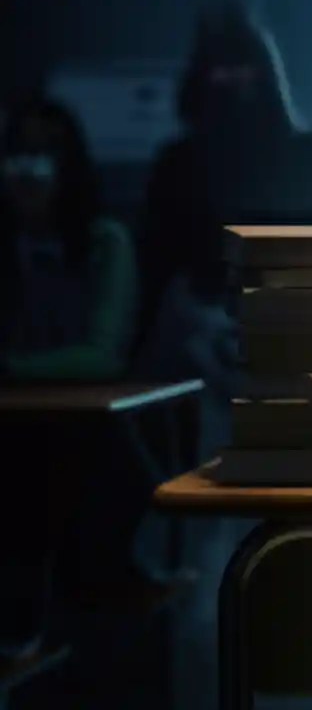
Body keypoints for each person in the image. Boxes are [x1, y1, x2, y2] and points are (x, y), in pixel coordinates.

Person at [138, 0, 312, 458]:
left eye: (243, 68)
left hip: (300, 341)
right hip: (205, 343)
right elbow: (152, 270)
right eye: (221, 70)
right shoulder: (177, 164)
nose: (233, 81)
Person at [0, 97, 143, 667]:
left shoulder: (105, 242)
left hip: (83, 428)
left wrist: (14, 370)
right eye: (18, 152)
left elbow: (104, 354)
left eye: (45, 153)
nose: (29, 169)